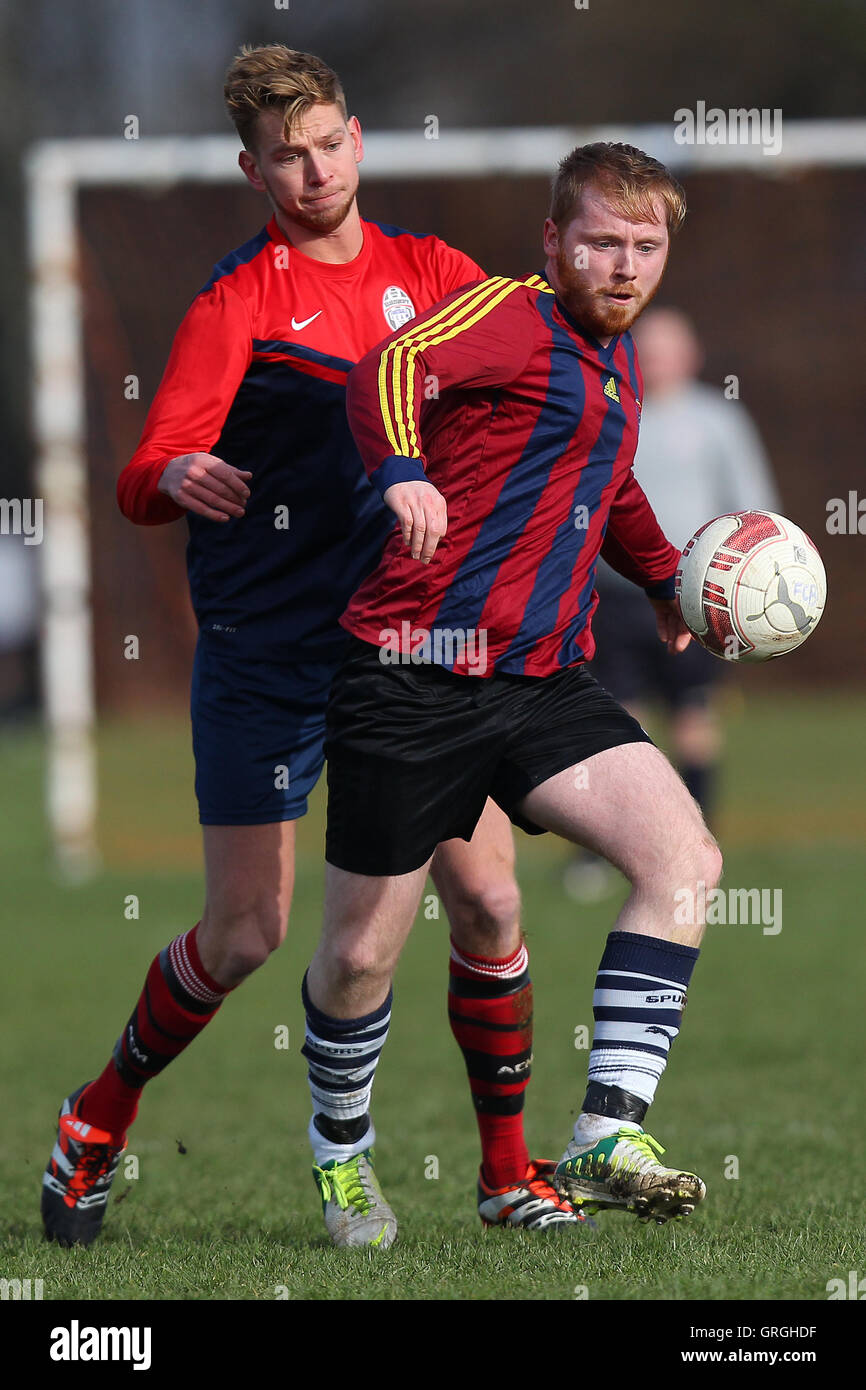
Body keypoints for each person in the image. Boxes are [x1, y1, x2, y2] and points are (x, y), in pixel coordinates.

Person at [41, 44, 582, 1251]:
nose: (314, 168)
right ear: (252, 169)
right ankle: (98, 1113)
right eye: (285, 153)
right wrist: (173, 469)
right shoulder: (235, 301)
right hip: (267, 649)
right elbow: (145, 463)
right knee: (244, 934)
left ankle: (502, 1173)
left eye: (329, 140)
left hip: (404, 643)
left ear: (358, 137)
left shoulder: (432, 274)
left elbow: (535, 373)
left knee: (490, 895)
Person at [301, 141, 724, 1243]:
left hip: (539, 679)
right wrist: (399, 468)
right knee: (356, 956)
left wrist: (665, 576)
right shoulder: (508, 315)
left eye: (644, 245)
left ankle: (602, 1132)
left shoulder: (613, 356)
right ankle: (341, 1154)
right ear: (553, 240)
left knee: (682, 857)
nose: (623, 265)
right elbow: (386, 370)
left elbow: (605, 476)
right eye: (600, 241)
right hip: (411, 673)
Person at [563, 307, 779, 901]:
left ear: (692, 355)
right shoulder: (611, 409)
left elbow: (755, 507)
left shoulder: (719, 420)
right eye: (646, 347)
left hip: (696, 597)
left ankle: (699, 844)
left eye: (666, 348)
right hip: (610, 594)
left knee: (693, 718)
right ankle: (596, 853)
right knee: (613, 723)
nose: (655, 358)